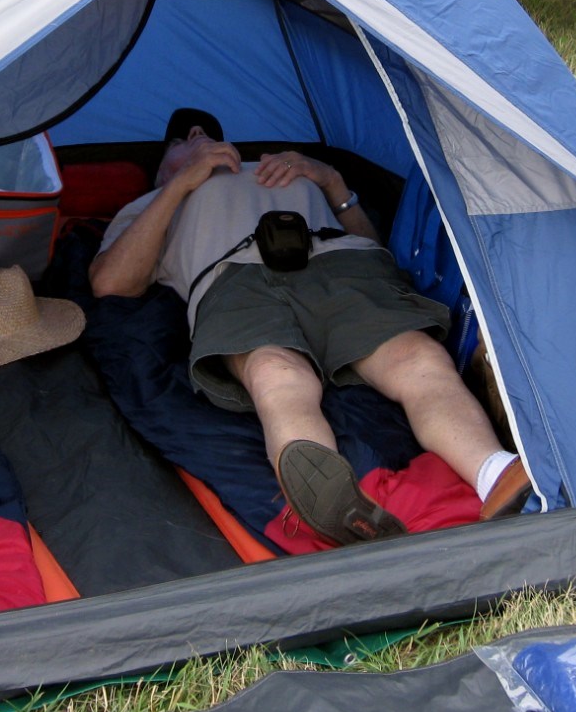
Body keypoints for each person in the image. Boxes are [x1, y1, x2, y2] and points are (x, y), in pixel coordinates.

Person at [90, 109, 532, 546]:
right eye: (181, 140)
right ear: (158, 172)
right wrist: (182, 184)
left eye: (207, 130)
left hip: (343, 264)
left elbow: (379, 250)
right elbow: (112, 283)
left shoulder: (280, 169)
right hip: (235, 277)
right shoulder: (149, 206)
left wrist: (331, 181)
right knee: (275, 373)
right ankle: (332, 501)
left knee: (418, 357)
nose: (199, 132)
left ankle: (495, 473)